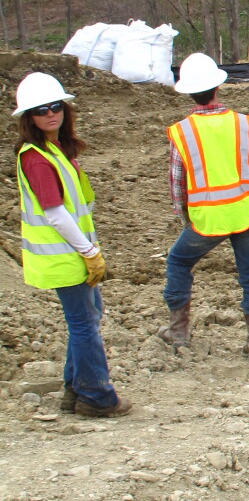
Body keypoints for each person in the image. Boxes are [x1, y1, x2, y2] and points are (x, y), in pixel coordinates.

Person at [13, 73, 131, 417]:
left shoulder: (54, 151)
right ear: (29, 117)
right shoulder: (36, 158)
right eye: (41, 110)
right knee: (84, 324)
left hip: (71, 253)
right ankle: (96, 396)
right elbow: (55, 214)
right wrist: (90, 252)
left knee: (89, 316)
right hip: (65, 256)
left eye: (55, 107)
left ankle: (75, 389)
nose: (51, 114)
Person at [158, 53, 249, 361]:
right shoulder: (243, 125)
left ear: (188, 93)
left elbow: (177, 183)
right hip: (246, 213)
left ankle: (178, 331)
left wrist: (185, 217)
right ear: (218, 87)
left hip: (207, 219)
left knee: (178, 262)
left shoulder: (183, 132)